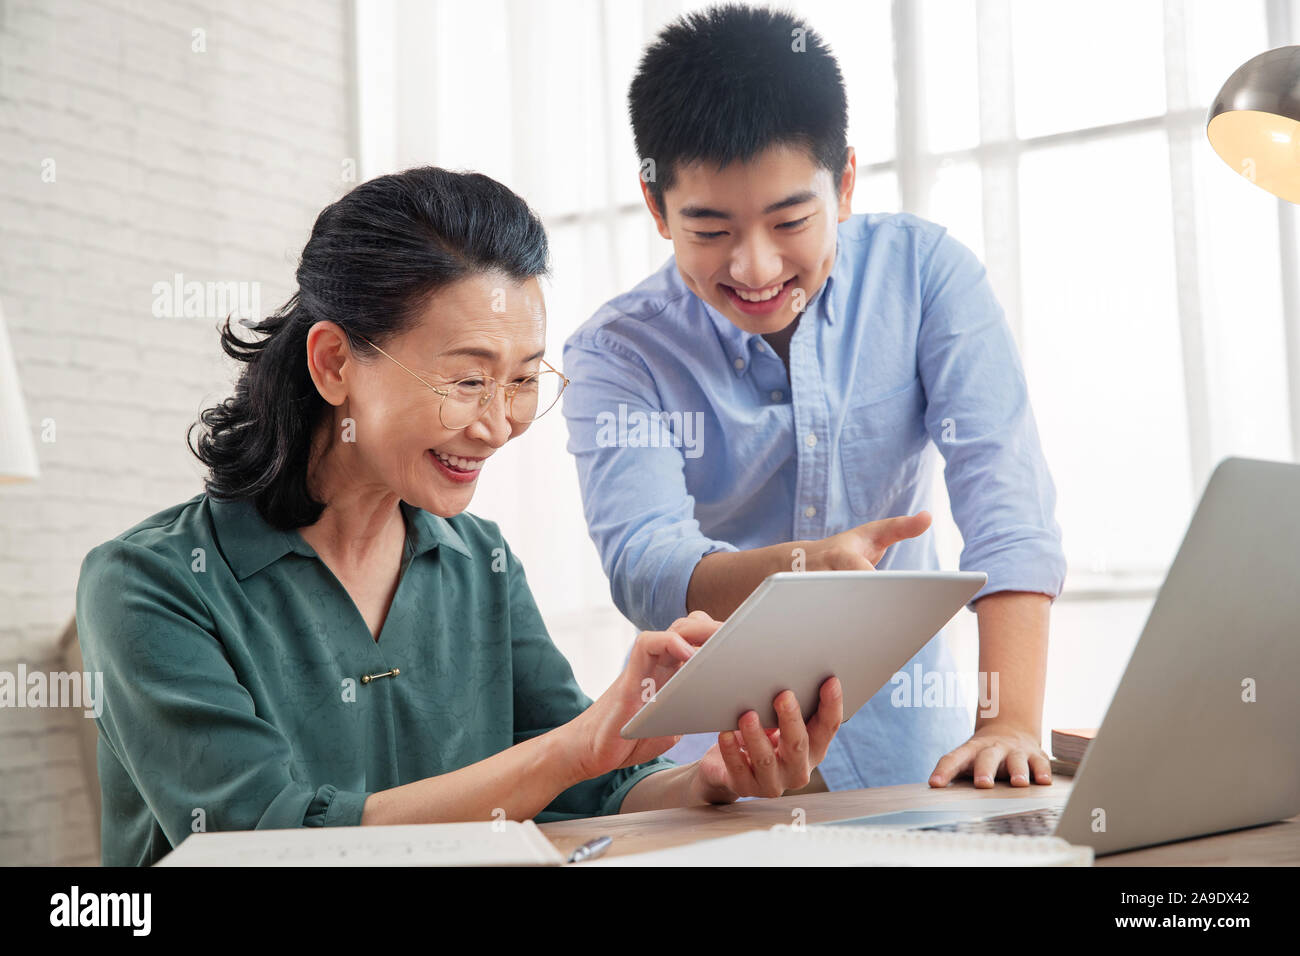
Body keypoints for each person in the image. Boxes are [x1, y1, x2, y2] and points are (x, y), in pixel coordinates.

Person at [75, 166, 843, 866]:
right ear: (334, 363)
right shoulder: (149, 584)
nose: (500, 422)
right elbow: (261, 844)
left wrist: (709, 782)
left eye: (522, 380)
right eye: (470, 379)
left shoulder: (478, 559)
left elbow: (592, 785)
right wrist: (572, 752)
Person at [562, 5, 1066, 794]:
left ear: (846, 184)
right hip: (714, 771)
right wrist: (801, 569)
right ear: (657, 209)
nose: (756, 267)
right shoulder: (619, 350)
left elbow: (1005, 501)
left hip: (910, 758)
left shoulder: (926, 275)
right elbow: (646, 564)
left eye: (790, 219)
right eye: (710, 230)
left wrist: (1007, 723)